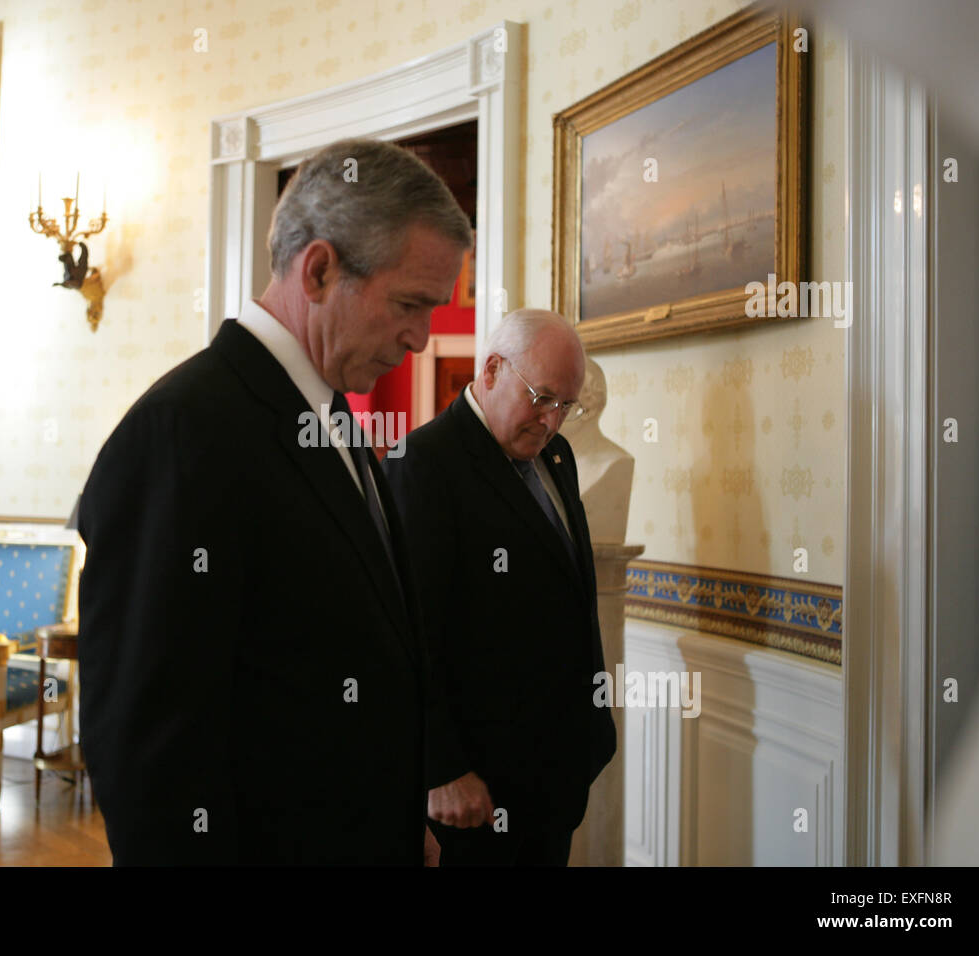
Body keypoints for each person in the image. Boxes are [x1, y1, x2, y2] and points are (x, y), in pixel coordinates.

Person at [77, 137, 471, 865]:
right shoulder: (184, 430)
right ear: (319, 269)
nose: (421, 337)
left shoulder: (330, 412)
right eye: (410, 304)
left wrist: (391, 816)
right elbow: (151, 755)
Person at [381, 308, 617, 865]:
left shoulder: (555, 454)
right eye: (542, 397)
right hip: (476, 793)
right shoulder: (423, 464)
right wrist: (440, 771)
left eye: (566, 404)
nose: (553, 420)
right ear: (490, 371)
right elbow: (408, 637)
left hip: (555, 777)